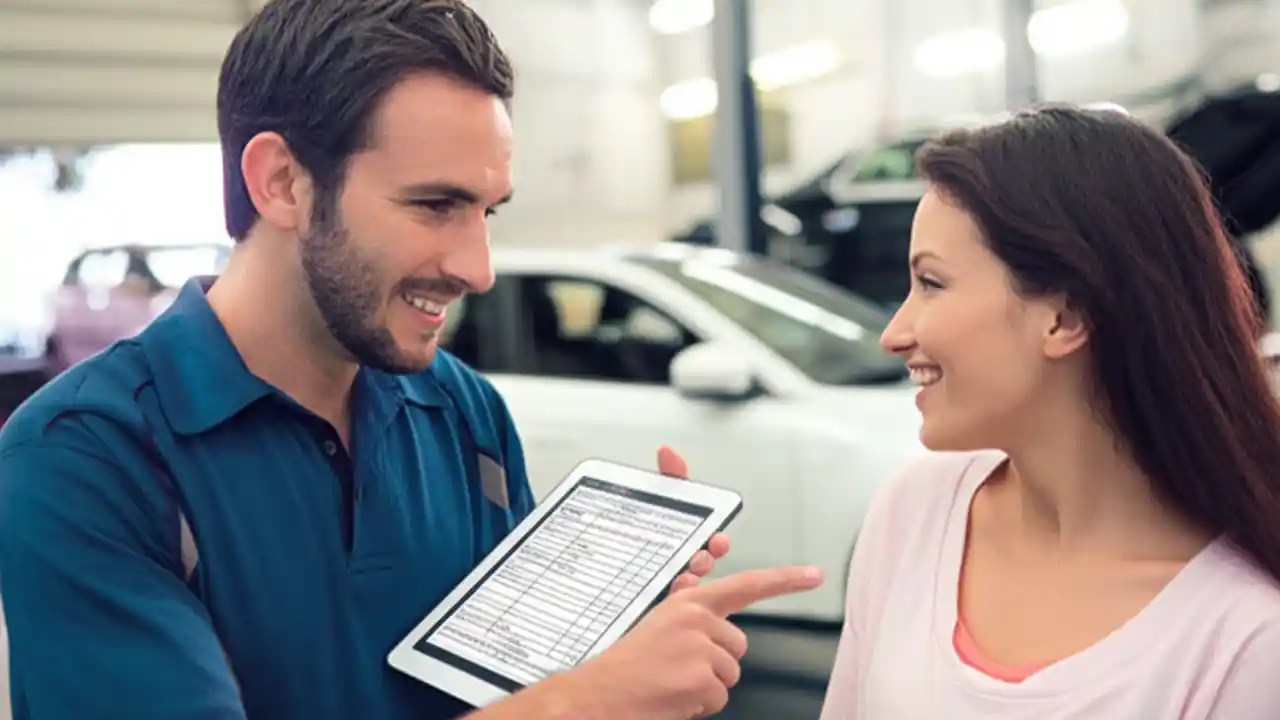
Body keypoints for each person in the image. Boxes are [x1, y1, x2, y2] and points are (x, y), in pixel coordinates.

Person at [0, 1, 822, 719]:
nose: (478, 269)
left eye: (487, 211)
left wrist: (607, 652)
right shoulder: (82, 458)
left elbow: (507, 689)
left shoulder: (464, 412)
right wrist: (583, 702)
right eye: (435, 205)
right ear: (282, 182)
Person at [819, 105, 1280, 718]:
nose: (895, 334)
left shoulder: (1246, 639)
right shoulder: (914, 512)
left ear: (1064, 317)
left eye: (931, 283)